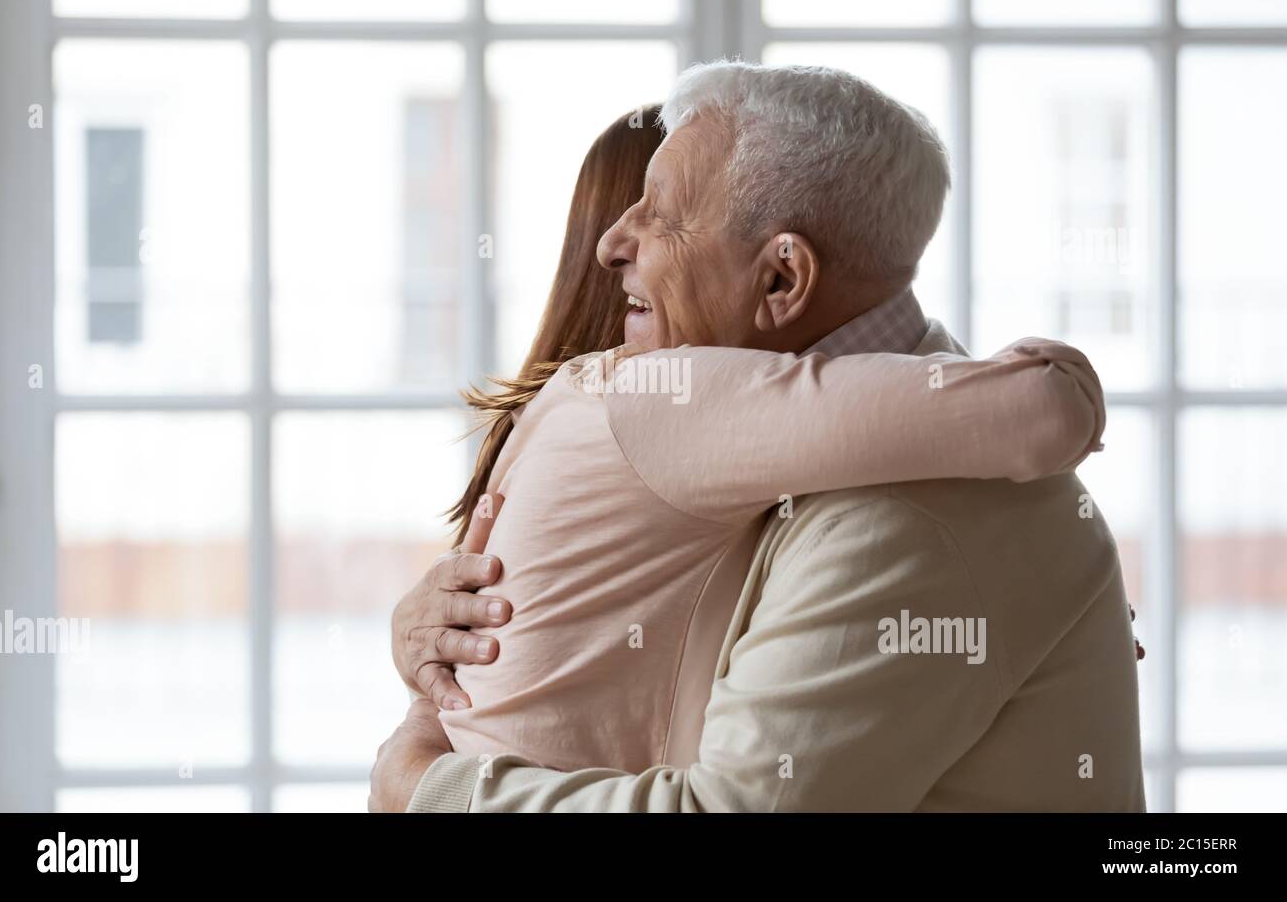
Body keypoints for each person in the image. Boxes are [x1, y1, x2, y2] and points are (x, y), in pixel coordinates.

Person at [372, 63, 1144, 812]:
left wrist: (428, 787)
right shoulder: (770, 442)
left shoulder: (901, 518)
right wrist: (433, 662)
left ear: (781, 280)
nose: (613, 245)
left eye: (662, 212)